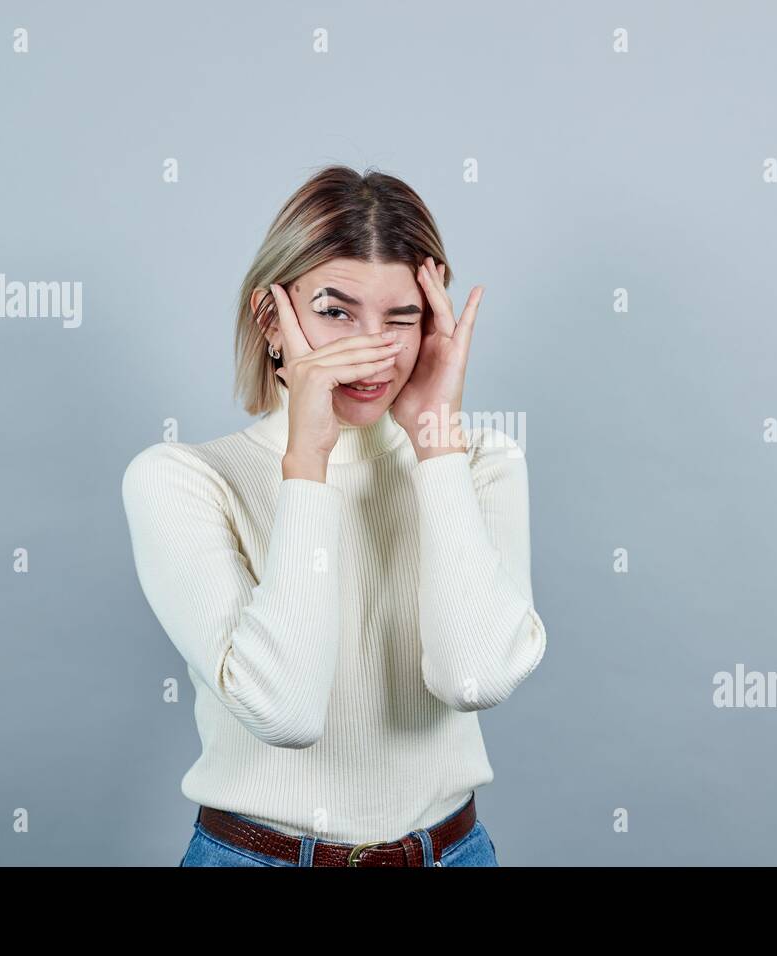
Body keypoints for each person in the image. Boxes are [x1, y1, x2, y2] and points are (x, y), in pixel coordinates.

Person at [120, 165, 547, 867]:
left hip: (450, 854)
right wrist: (308, 464)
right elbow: (285, 713)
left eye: (401, 319)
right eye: (335, 311)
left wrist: (436, 444)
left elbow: (474, 678)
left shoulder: (480, 464)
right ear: (270, 320)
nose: (368, 350)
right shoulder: (183, 480)